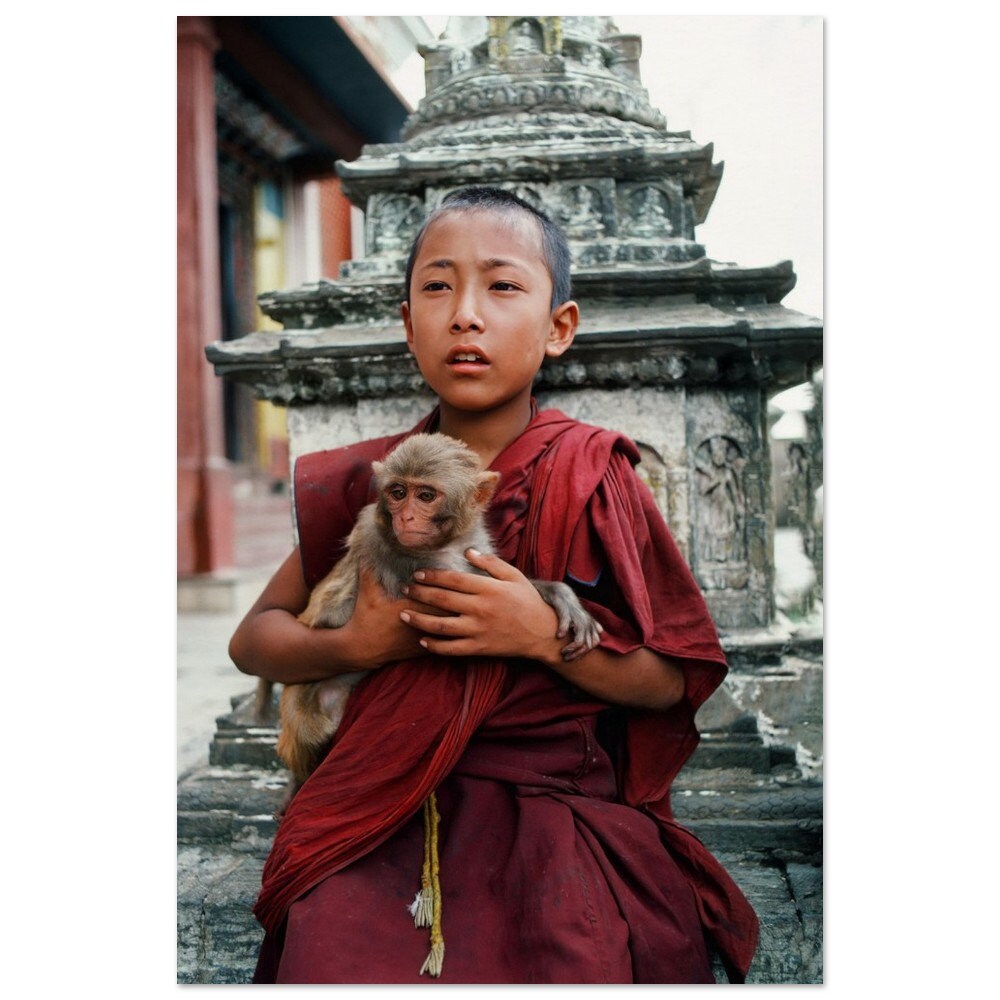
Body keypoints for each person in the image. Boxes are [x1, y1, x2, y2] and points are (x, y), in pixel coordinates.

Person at [229, 186, 759, 984]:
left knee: (573, 950)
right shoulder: (370, 485)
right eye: (436, 288)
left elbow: (671, 679)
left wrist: (540, 636)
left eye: (502, 286)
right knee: (334, 945)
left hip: (551, 815)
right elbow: (253, 640)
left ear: (559, 328)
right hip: (374, 810)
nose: (465, 315)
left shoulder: (590, 474)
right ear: (408, 323)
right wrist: (355, 643)